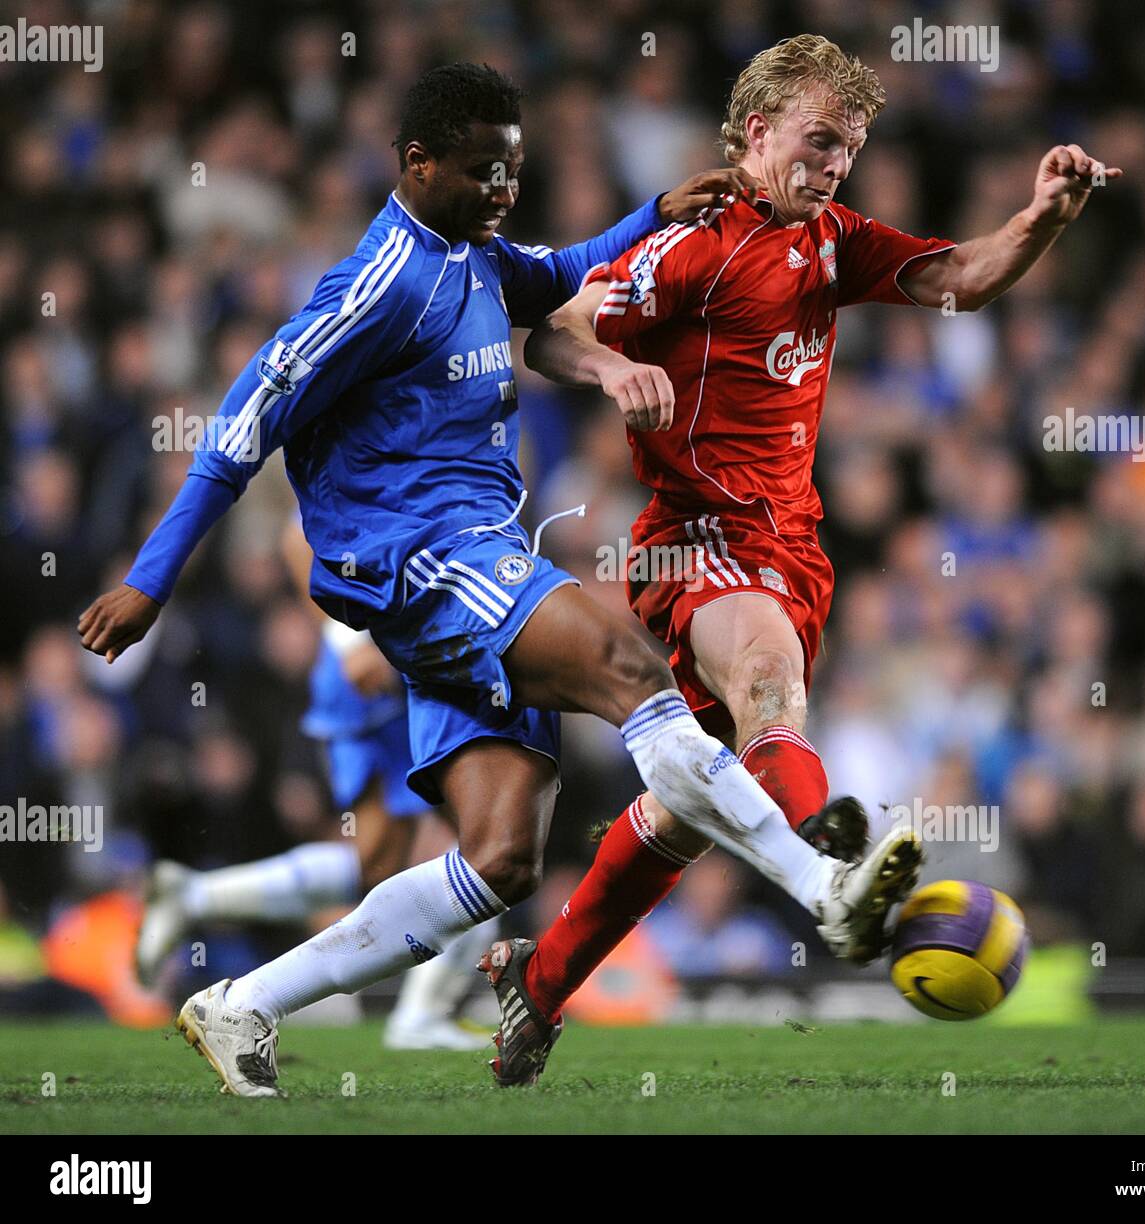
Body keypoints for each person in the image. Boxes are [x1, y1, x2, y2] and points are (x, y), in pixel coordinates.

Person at [78, 62, 910, 1098]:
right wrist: (150, 583)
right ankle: (822, 890)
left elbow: (554, 273)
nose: (502, 191)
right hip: (422, 556)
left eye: (512, 171)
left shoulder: (472, 249)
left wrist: (652, 212)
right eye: (483, 173)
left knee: (499, 861)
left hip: (474, 549)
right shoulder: (377, 286)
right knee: (632, 670)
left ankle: (242, 1004)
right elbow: (243, 424)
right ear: (417, 164)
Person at [505, 33, 1121, 1083]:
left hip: (792, 545)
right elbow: (549, 332)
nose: (836, 164)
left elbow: (961, 279)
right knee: (766, 691)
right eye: (820, 140)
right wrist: (610, 368)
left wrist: (1042, 219)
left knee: (680, 815)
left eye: (851, 147)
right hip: (692, 540)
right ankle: (833, 860)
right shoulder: (691, 241)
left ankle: (538, 985)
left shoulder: (833, 239)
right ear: (756, 132)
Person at [134, 519, 495, 1050]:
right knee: (472, 858)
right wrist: (350, 641)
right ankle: (411, 1013)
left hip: (400, 669)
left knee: (397, 867)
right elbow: (297, 535)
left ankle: (196, 895)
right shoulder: (385, 442)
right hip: (380, 675)